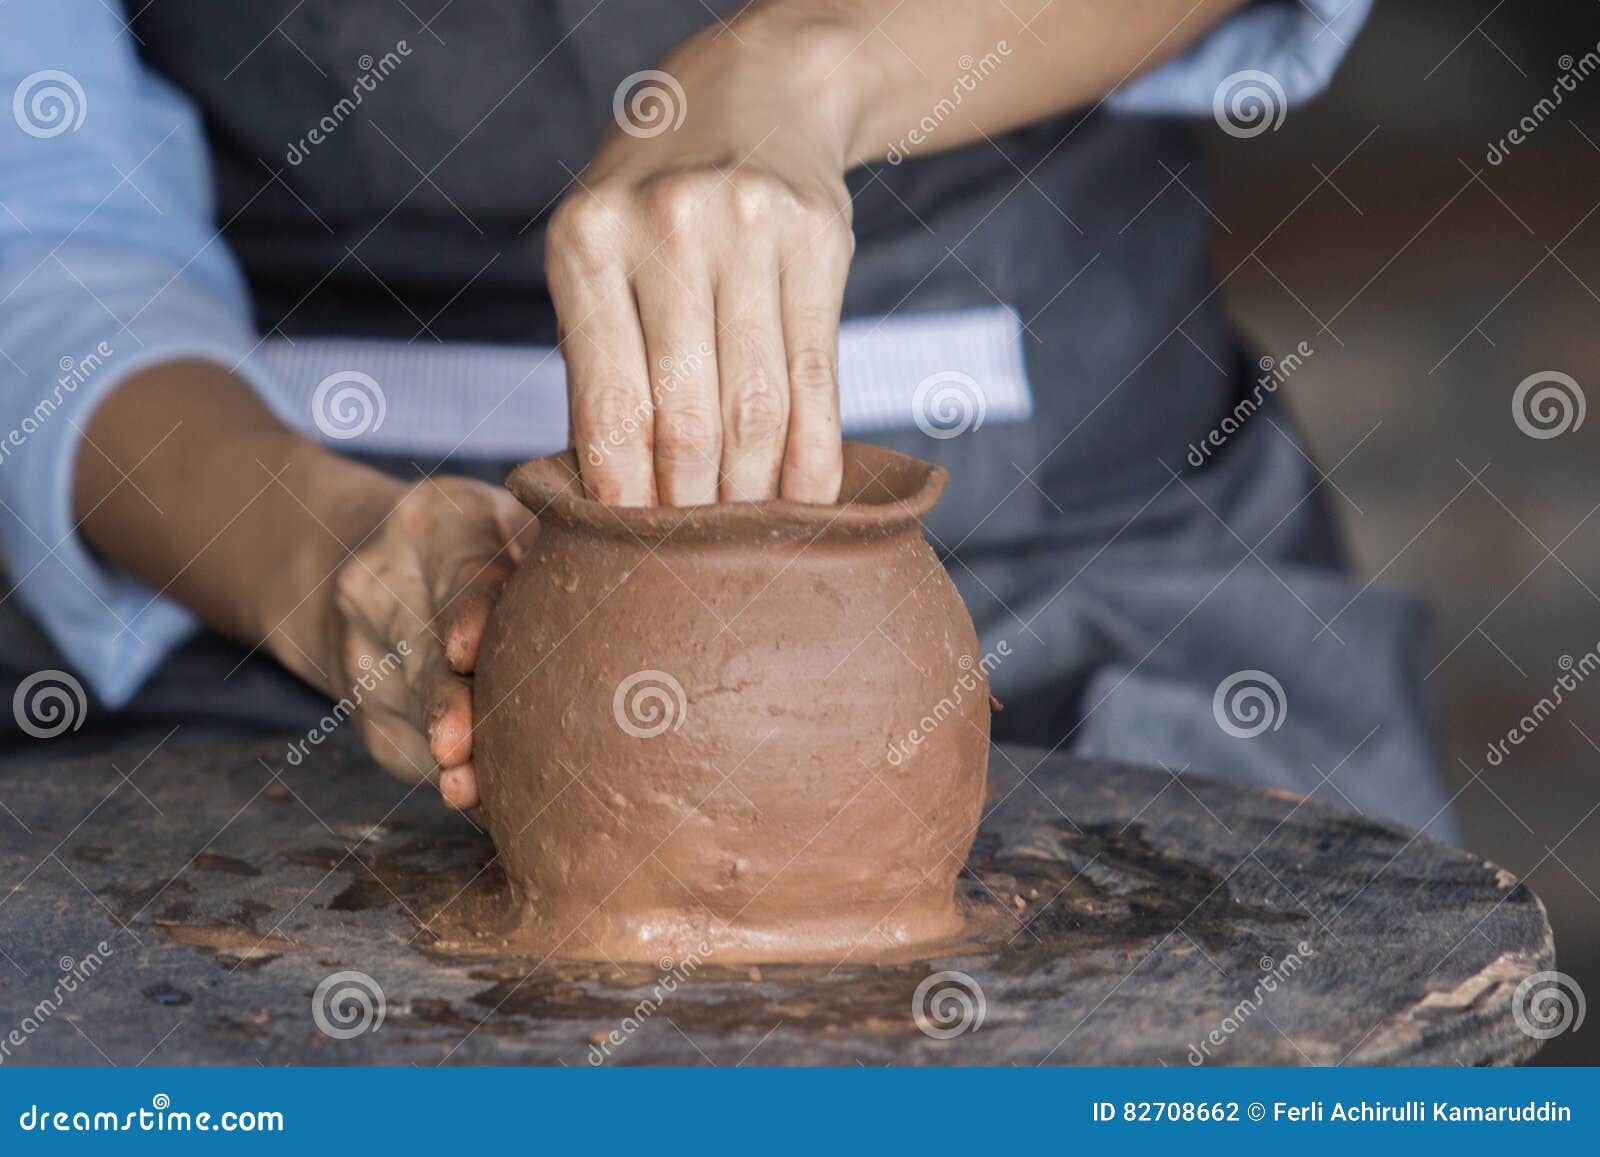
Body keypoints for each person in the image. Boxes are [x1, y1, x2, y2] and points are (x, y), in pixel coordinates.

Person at [0, 0, 1456, 839]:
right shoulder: (337, 588)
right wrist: (324, 566)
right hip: (287, 579)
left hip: (1069, 521)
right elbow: (46, 238)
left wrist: (819, 60)